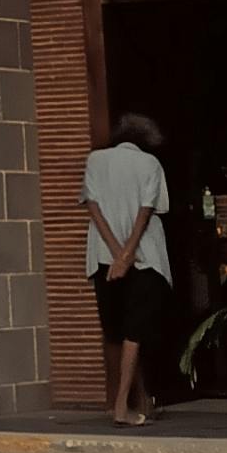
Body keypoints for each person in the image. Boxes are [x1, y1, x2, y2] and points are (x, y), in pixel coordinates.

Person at [81, 111, 172, 426]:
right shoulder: (149, 164)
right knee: (135, 330)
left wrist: (116, 254)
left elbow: (92, 206)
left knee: (114, 331)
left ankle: (134, 400)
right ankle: (122, 406)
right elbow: (146, 211)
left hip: (103, 255)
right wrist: (127, 254)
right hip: (144, 256)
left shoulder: (95, 160)